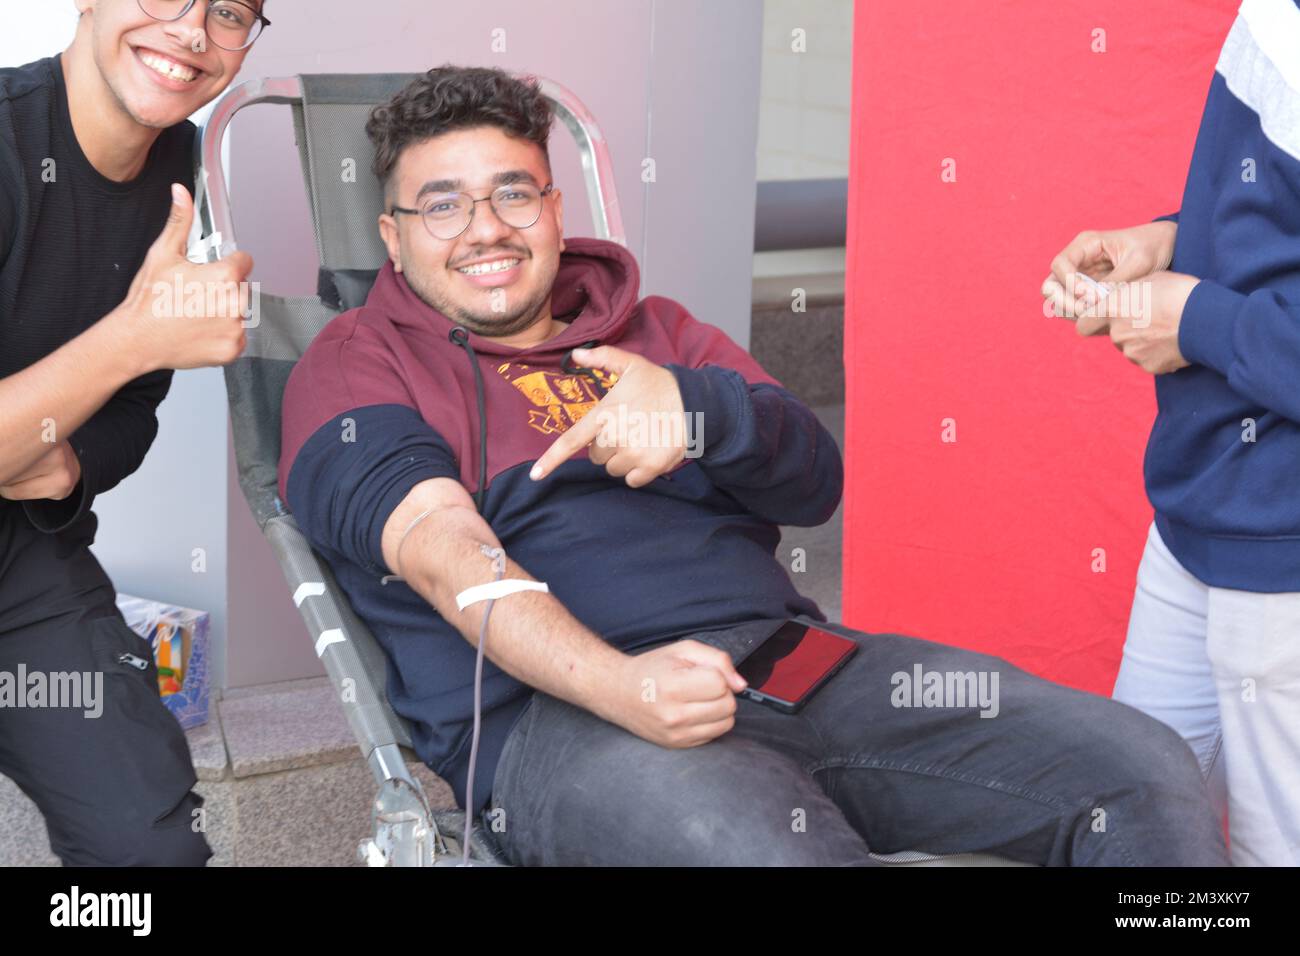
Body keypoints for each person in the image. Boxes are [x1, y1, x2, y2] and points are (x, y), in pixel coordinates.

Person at [280, 65, 1229, 866]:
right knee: (772, 852)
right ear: (394, 238)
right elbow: (446, 554)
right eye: (442, 205)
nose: (484, 227)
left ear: (554, 209)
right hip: (570, 719)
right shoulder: (361, 362)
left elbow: (814, 483)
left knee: (1139, 765)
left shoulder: (662, 334)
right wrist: (625, 684)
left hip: (804, 666)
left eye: (513, 192)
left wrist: (695, 416)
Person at [0, 0, 268, 865]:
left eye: (229, 11)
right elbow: (135, 357)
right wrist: (132, 337)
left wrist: (69, 462)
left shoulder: (185, 174)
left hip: (22, 570)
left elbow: (131, 411)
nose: (192, 31)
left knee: (148, 847)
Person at [1042, 0, 1300, 867]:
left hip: (1284, 552)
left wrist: (1196, 319)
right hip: (1203, 508)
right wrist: (1172, 242)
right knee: (1137, 829)